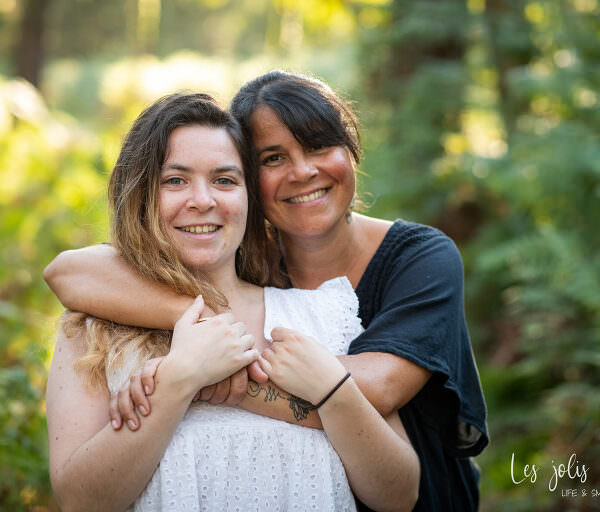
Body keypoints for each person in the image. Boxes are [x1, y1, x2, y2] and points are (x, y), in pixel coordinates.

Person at [45, 71, 488, 511]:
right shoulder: (228, 266)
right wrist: (199, 339)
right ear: (256, 184)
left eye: (318, 145)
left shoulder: (397, 271)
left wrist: (205, 375)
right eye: (273, 158)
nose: (302, 171)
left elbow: (383, 392)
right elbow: (70, 272)